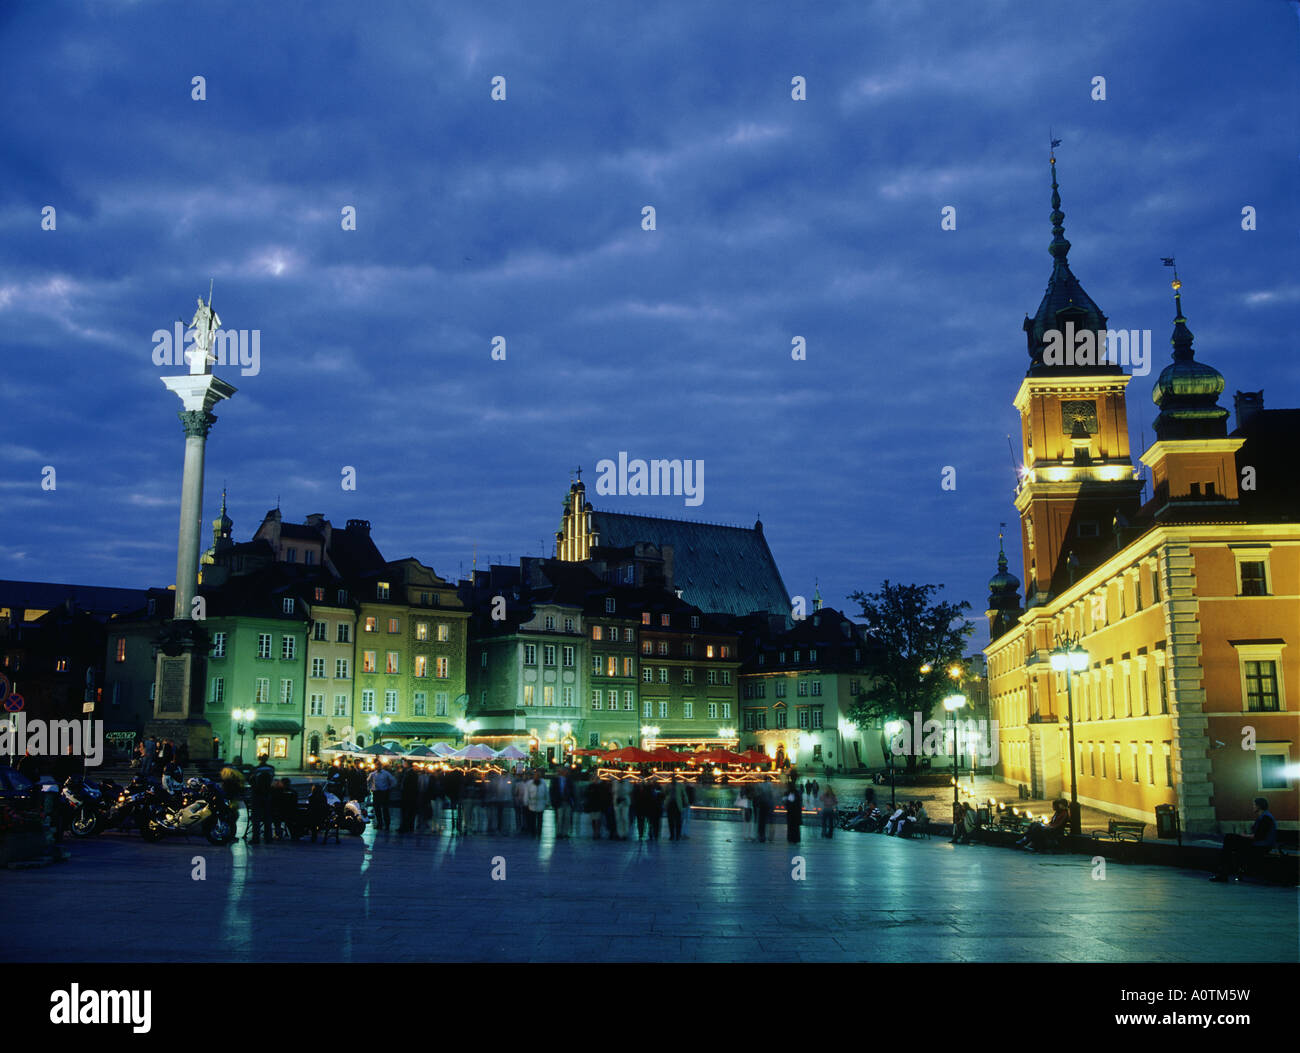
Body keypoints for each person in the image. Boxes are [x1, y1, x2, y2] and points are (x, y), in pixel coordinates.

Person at [1211, 798, 1278, 882]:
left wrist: (1244, 836)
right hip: (1260, 844)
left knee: (1229, 840)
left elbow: (1258, 836)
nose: (1253, 807)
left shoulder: (1266, 818)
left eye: (1254, 805)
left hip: (1261, 846)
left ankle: (1223, 874)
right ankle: (1224, 873)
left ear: (1259, 806)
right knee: (1229, 842)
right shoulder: (1265, 816)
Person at [248, 753, 276, 844]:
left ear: (259, 759)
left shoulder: (256, 769)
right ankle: (268, 837)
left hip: (257, 795)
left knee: (256, 818)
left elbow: (251, 780)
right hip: (268, 794)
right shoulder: (271, 769)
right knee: (268, 817)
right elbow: (272, 779)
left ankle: (256, 837)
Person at [368, 763, 396, 832]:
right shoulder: (373, 774)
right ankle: (379, 824)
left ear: (381, 766)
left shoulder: (386, 773)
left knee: (385, 809)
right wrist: (370, 788)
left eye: (379, 766)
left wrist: (389, 788)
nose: (377, 767)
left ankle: (387, 825)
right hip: (376, 793)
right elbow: (368, 781)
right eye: (377, 765)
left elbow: (394, 781)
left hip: (384, 793)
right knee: (377, 809)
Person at [397, 760, 420, 833]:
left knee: (407, 812)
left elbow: (411, 785)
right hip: (409, 795)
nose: (403, 764)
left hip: (408, 795)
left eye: (404, 763)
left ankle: (406, 827)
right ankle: (408, 826)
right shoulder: (407, 772)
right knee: (409, 812)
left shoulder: (411, 773)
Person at [665, 775, 689, 841]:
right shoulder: (668, 785)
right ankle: (672, 835)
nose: (673, 779)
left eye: (674, 778)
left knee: (678, 821)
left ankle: (677, 835)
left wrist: (686, 801)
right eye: (672, 778)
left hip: (677, 805)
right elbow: (665, 793)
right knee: (671, 821)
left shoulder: (680, 786)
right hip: (670, 804)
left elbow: (684, 794)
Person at [526, 771, 548, 837]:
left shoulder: (543, 783)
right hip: (532, 804)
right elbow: (527, 793)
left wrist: (547, 802)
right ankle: (532, 832)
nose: (537, 777)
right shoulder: (529, 783)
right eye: (536, 775)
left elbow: (546, 793)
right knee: (532, 819)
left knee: (540, 819)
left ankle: (539, 832)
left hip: (541, 804)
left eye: (538, 775)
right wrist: (526, 801)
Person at [755, 777, 775, 843]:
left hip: (762, 805)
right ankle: (770, 837)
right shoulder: (770, 786)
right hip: (768, 805)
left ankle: (761, 836)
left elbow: (758, 794)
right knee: (770, 821)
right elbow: (772, 795)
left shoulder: (761, 786)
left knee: (761, 822)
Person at [784, 778, 803, 844]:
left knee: (791, 826)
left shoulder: (789, 793)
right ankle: (795, 839)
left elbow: (788, 801)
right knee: (795, 827)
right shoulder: (797, 793)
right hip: (796, 813)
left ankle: (791, 838)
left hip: (791, 812)